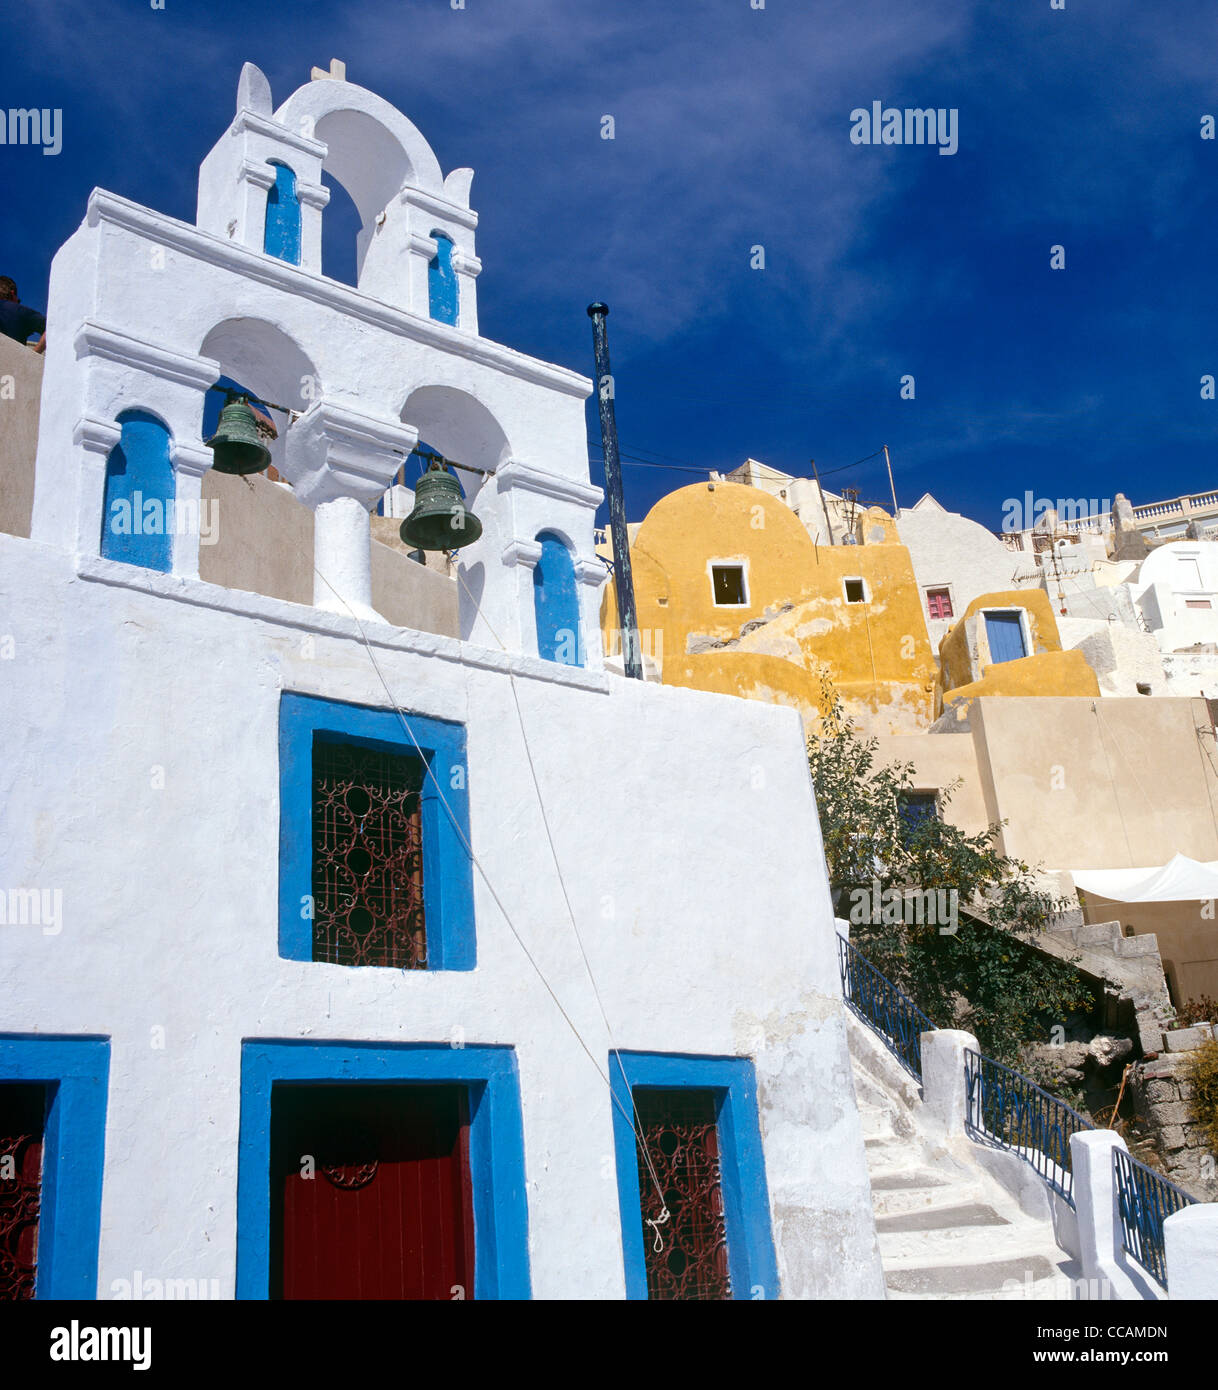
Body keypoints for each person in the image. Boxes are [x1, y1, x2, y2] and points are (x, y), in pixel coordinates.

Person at [0, 277, 45, 353]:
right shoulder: (19, 310)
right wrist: (34, 354)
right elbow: (50, 328)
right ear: (12, 293)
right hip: (14, 361)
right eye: (18, 301)